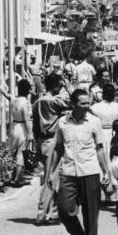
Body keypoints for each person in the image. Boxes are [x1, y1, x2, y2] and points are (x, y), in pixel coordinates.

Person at [44, 89, 114, 235]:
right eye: (83, 103)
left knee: (91, 216)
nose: (87, 106)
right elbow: (59, 148)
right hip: (68, 172)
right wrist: (51, 173)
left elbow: (100, 149)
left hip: (90, 172)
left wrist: (107, 172)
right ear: (73, 104)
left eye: (88, 102)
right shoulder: (62, 122)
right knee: (64, 210)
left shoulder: (94, 122)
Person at [33, 73, 71, 224]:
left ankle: (53, 211)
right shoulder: (55, 101)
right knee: (51, 178)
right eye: (60, 86)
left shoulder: (37, 102)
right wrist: (69, 88)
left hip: (41, 140)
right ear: (55, 86)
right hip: (53, 140)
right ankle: (41, 212)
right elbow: (75, 104)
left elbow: (35, 125)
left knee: (50, 177)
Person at [0, 79, 34, 186]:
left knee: (11, 152)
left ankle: (7, 175)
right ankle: (18, 179)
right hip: (22, 128)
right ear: (28, 90)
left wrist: (1, 90)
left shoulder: (14, 99)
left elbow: (7, 95)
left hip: (13, 126)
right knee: (21, 154)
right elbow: (27, 120)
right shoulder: (25, 103)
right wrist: (30, 133)